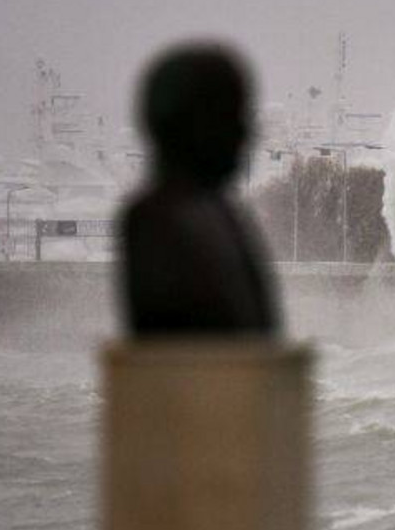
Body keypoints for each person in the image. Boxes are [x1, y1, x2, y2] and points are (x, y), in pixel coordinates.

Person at [118, 43, 280, 336]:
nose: (245, 133)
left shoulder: (219, 213)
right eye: (231, 118)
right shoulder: (158, 220)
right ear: (188, 126)